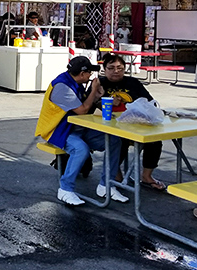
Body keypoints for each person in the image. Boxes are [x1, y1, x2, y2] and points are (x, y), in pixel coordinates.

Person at [35, 56, 128, 206]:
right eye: (89, 72)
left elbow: (84, 104)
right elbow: (83, 110)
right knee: (80, 149)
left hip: (78, 128)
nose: (91, 75)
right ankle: (65, 189)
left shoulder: (75, 82)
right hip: (58, 131)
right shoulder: (62, 87)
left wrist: (97, 96)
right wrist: (93, 90)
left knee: (114, 140)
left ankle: (106, 185)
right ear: (82, 73)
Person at [98, 53, 166, 191]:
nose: (116, 71)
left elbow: (149, 102)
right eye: (111, 68)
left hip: (135, 124)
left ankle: (147, 176)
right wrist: (107, 103)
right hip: (108, 126)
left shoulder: (133, 83)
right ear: (104, 69)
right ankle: (115, 173)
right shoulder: (99, 83)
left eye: (120, 68)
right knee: (118, 139)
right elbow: (90, 105)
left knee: (154, 140)